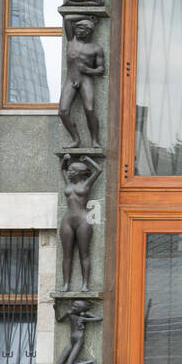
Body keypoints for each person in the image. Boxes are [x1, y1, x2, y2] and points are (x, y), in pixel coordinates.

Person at [58, 17, 105, 148]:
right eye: (77, 28)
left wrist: (87, 70)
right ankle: (76, 139)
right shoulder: (71, 41)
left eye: (81, 29)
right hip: (71, 79)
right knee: (63, 111)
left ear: (88, 32)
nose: (77, 31)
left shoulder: (96, 48)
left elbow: (101, 70)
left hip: (86, 79)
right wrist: (89, 17)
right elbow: (67, 18)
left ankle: (95, 140)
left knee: (89, 109)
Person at [59, 155, 102, 295]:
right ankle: (66, 284)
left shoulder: (86, 184)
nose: (69, 172)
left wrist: (87, 159)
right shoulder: (68, 183)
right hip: (67, 220)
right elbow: (62, 169)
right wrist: (65, 160)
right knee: (66, 255)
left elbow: (99, 170)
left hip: (83, 220)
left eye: (72, 170)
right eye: (70, 170)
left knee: (84, 254)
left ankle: (85, 284)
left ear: (78, 172)